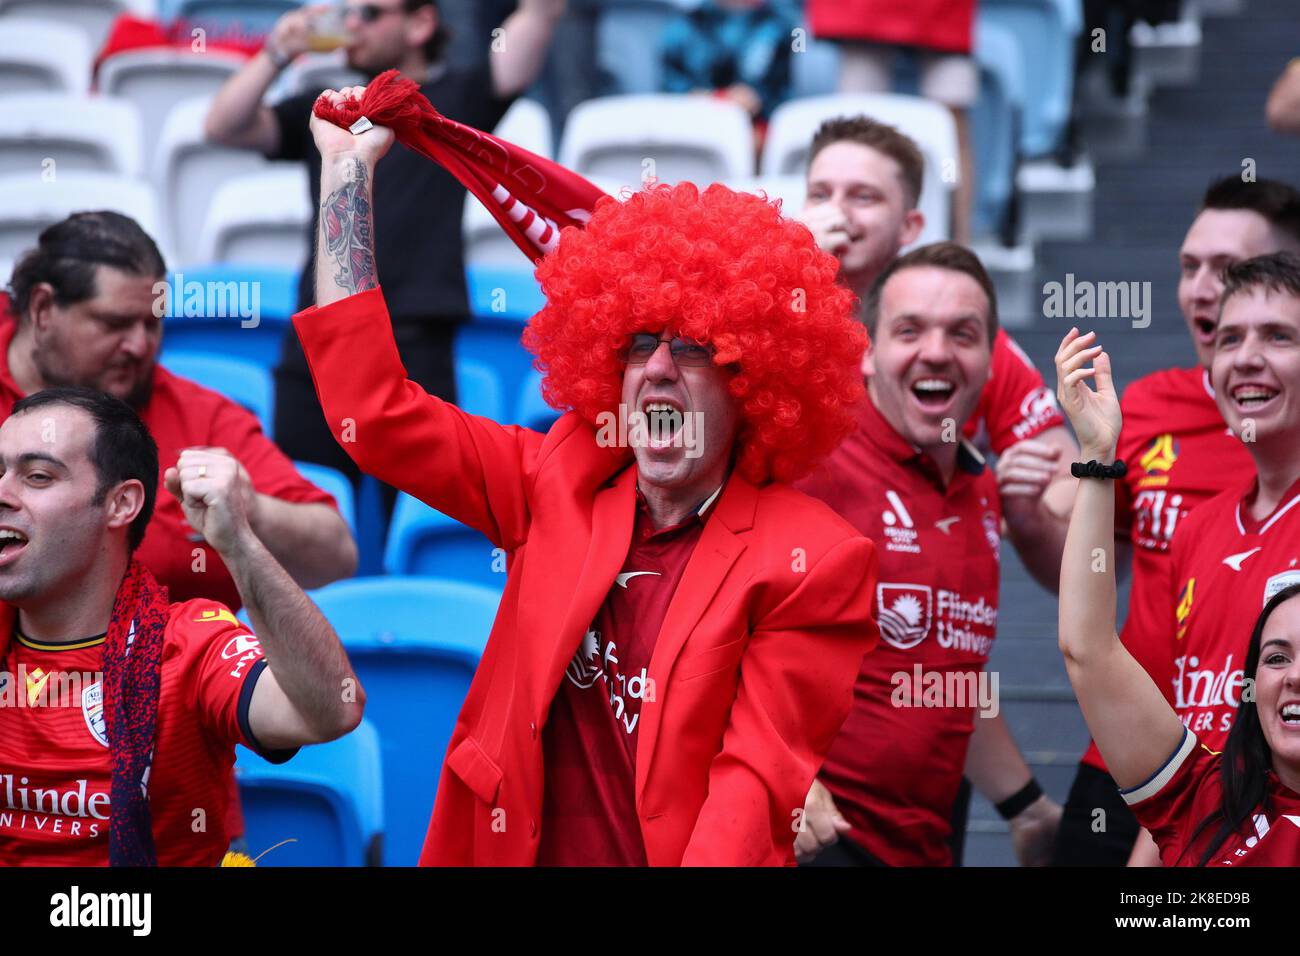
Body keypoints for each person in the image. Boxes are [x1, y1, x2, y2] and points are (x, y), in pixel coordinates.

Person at [292, 88, 880, 866]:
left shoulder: (813, 562)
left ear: (754, 380)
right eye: (640, 342)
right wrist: (344, 176)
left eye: (696, 347)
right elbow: (370, 412)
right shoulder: (556, 478)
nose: (661, 369)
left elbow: (750, 793)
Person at [204, 0, 564, 493]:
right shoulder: (326, 109)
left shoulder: (454, 97)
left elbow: (535, 24)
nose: (352, 25)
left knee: (434, 506)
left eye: (370, 13)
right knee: (304, 513)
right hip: (318, 345)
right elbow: (223, 127)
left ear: (421, 23)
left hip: (416, 341)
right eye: (347, 13)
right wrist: (277, 52)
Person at [0, 387, 364, 865]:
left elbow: (331, 711)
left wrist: (239, 544)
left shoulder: (190, 643)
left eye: (38, 476)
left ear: (120, 505)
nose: (3, 494)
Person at [1054, 178, 1300, 867]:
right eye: (1229, 339)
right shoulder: (1199, 528)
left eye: (1278, 336)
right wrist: (1098, 459)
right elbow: (1091, 651)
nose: (1246, 356)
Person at [793, 243, 1054, 866]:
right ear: (868, 353)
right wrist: (777, 775)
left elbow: (942, 677)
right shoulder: (806, 458)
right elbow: (695, 626)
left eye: (962, 334)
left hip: (927, 844)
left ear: (993, 363)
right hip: (816, 841)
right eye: (909, 330)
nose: (936, 352)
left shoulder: (980, 491)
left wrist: (1025, 806)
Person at [3, 212, 356, 610]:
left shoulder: (199, 416)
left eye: (152, 324)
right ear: (42, 308)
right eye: (114, 323)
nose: (139, 346)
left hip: (165, 667)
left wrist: (251, 509)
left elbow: (336, 555)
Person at [801, 116, 1076, 594]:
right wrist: (789, 259)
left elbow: (1068, 493)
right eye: (820, 195)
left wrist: (1021, 510)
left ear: (911, 225)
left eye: (863, 197)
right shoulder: (775, 323)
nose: (837, 214)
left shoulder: (959, 345)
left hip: (922, 612)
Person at [805, 0, 977, 242]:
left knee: (949, 126)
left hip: (944, 13)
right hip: (861, 13)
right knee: (856, 130)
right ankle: (845, 241)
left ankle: (959, 246)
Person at [659, 0, 801, 125]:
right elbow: (670, 97)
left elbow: (784, 96)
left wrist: (757, 100)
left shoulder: (779, 26)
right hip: (696, 126)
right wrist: (714, 98)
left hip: (757, 129)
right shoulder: (684, 27)